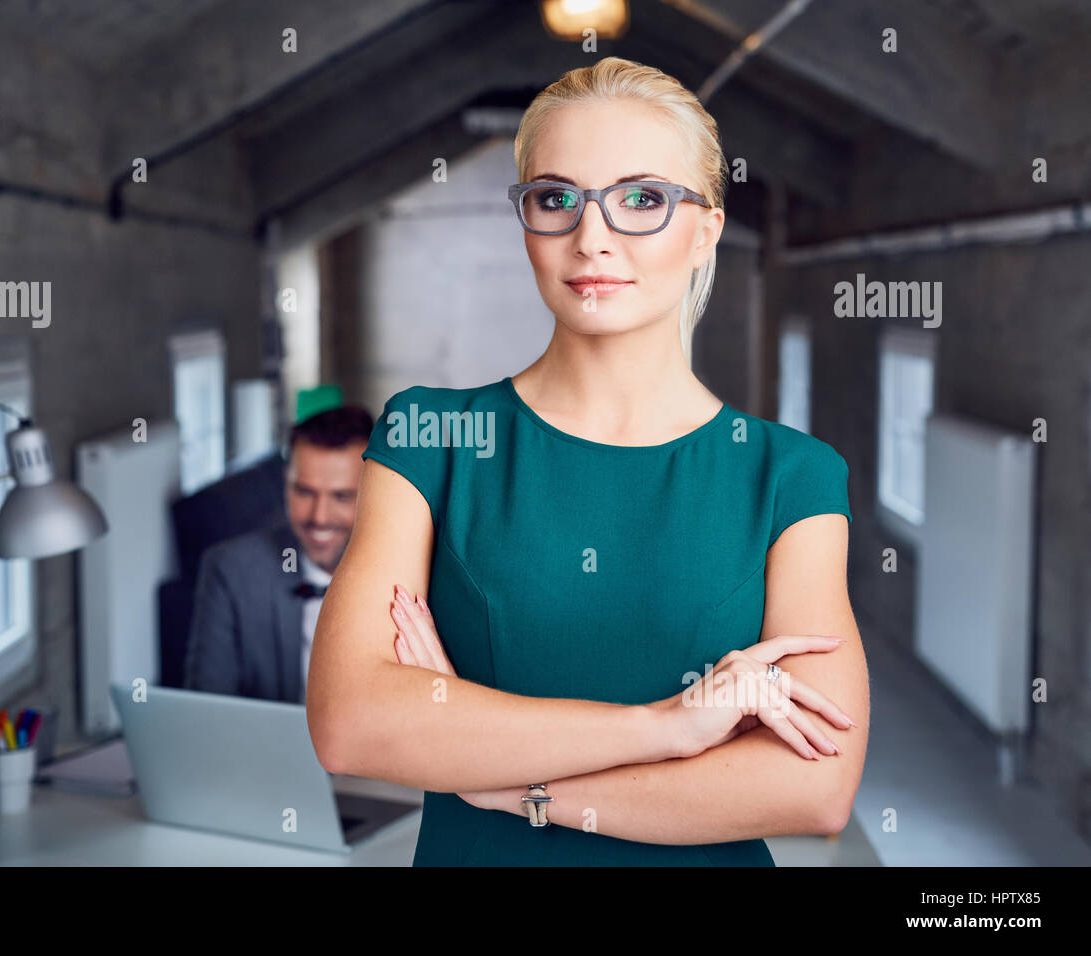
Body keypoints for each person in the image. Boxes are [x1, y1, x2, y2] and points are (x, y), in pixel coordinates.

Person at [307, 57, 869, 865]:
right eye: (557, 198)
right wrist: (666, 728)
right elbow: (352, 721)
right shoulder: (430, 436)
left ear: (706, 227)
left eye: (642, 199)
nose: (592, 237)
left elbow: (813, 788)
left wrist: (505, 785)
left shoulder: (789, 476)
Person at [184, 404, 373, 704]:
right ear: (284, 484)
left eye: (342, 496)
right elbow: (206, 712)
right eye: (304, 492)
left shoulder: (420, 577)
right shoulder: (230, 571)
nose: (319, 517)